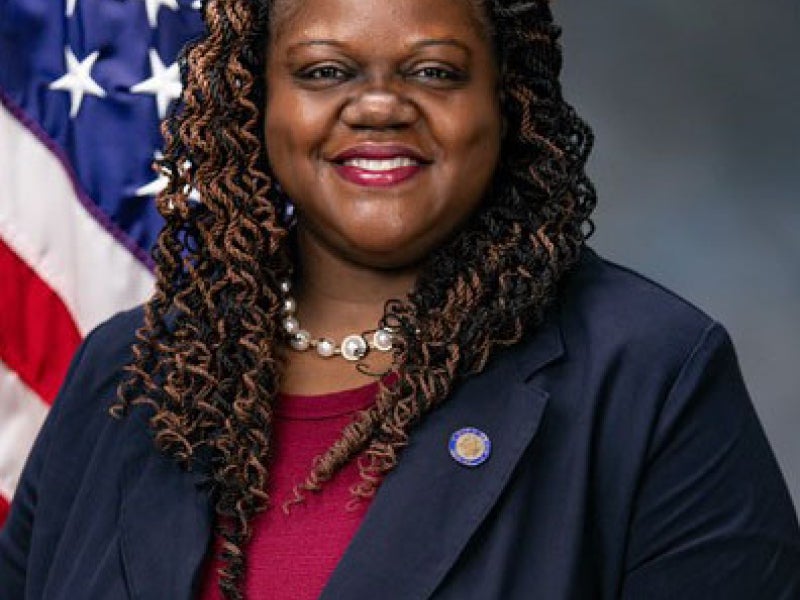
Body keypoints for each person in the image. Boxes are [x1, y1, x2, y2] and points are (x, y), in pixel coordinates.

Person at [1, 0, 799, 598]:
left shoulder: (649, 372)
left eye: (433, 71)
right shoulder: (128, 369)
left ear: (507, 102)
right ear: (257, 101)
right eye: (323, 71)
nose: (379, 104)